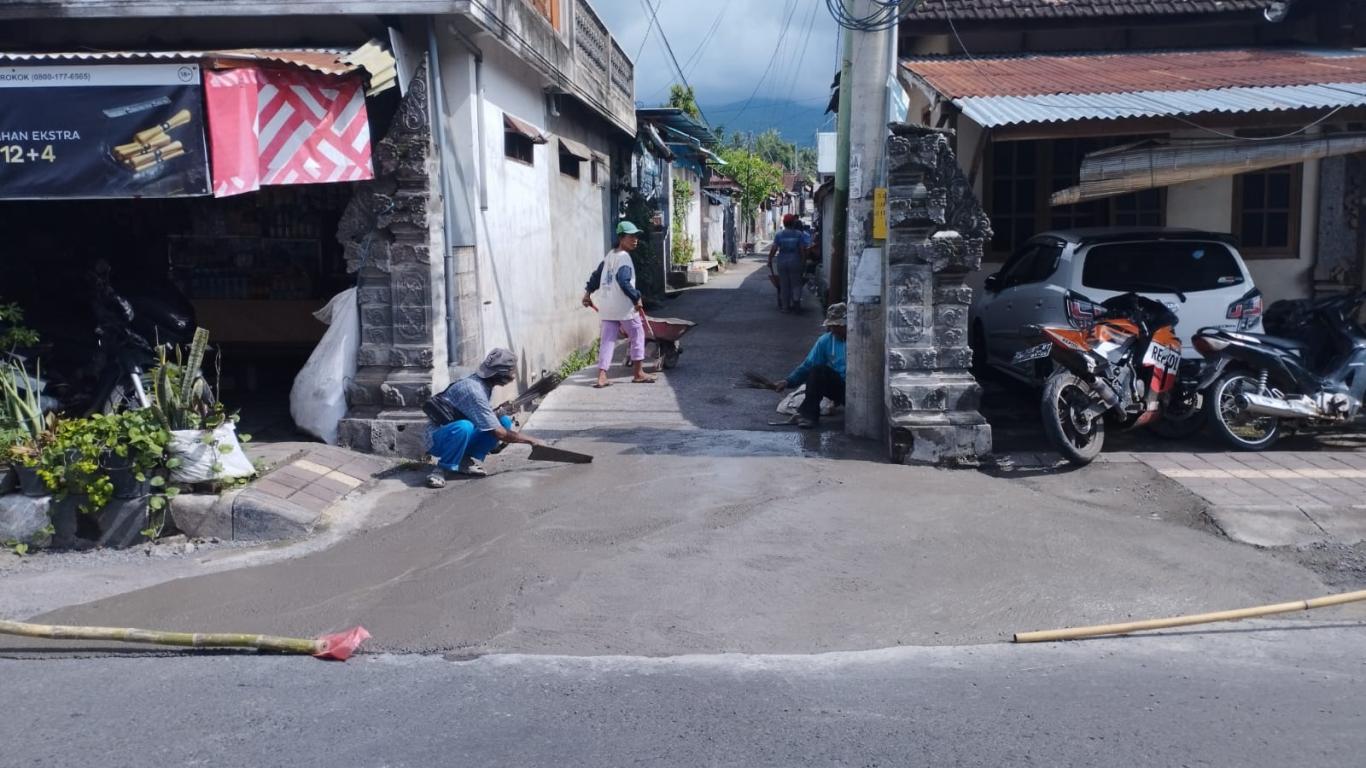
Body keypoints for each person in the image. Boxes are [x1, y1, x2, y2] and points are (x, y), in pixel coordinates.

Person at [425, 348, 543, 488]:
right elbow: (498, 433)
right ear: (501, 374)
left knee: (503, 420)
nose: (513, 375)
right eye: (511, 371)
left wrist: (500, 411)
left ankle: (464, 460)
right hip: (436, 439)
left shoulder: (483, 385)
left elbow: (482, 417)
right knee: (464, 427)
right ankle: (440, 470)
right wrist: (532, 440)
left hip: (456, 434)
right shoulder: (474, 391)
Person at [583, 220, 656, 387]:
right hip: (624, 308)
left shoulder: (610, 256)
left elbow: (596, 276)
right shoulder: (624, 258)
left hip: (607, 307)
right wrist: (636, 297)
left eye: (636, 236)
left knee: (607, 341)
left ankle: (602, 376)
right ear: (621, 238)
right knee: (638, 335)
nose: (635, 239)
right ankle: (638, 373)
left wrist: (587, 294)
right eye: (631, 236)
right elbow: (623, 281)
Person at [773, 303, 847, 428]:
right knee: (817, 371)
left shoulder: (860, 339)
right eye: (832, 326)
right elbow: (808, 365)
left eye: (838, 325)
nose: (834, 329)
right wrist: (787, 381)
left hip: (858, 387)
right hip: (839, 387)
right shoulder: (826, 340)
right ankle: (808, 416)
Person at [768, 214, 813, 313]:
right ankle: (796, 304)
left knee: (784, 285)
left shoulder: (779, 235)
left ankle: (785, 307)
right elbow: (802, 250)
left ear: (784, 223)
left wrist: (769, 259)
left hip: (782, 261)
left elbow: (774, 249)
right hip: (795, 261)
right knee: (796, 283)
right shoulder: (799, 234)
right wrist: (803, 261)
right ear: (793, 223)